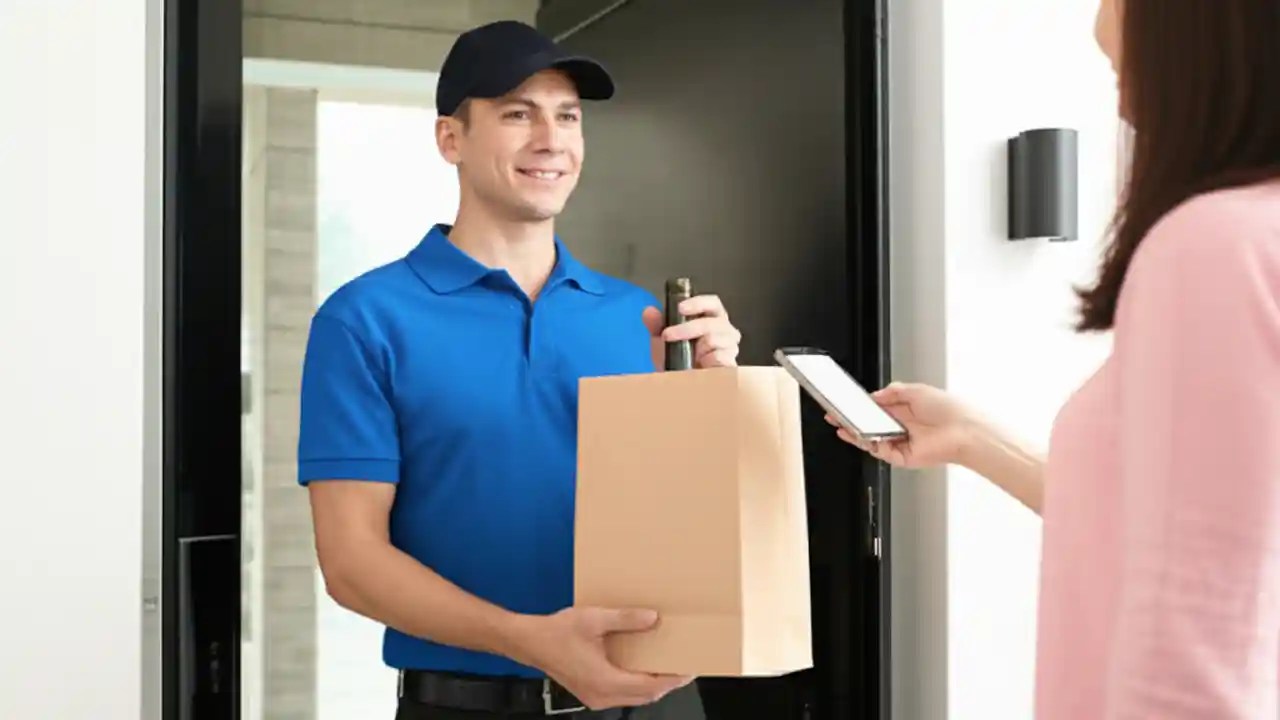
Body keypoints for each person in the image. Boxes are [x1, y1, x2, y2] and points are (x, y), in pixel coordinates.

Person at [834, 1, 1280, 718]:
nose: (1100, 21)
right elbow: (1178, 533)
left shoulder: (1216, 248)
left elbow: (1195, 675)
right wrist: (976, 442)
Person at [296, 20, 740, 720]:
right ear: (451, 139)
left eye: (567, 116)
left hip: (660, 703)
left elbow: (705, 530)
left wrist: (720, 400)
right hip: (467, 707)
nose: (551, 140)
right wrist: (533, 642)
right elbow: (352, 565)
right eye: (516, 114)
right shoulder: (364, 320)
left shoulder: (641, 320)